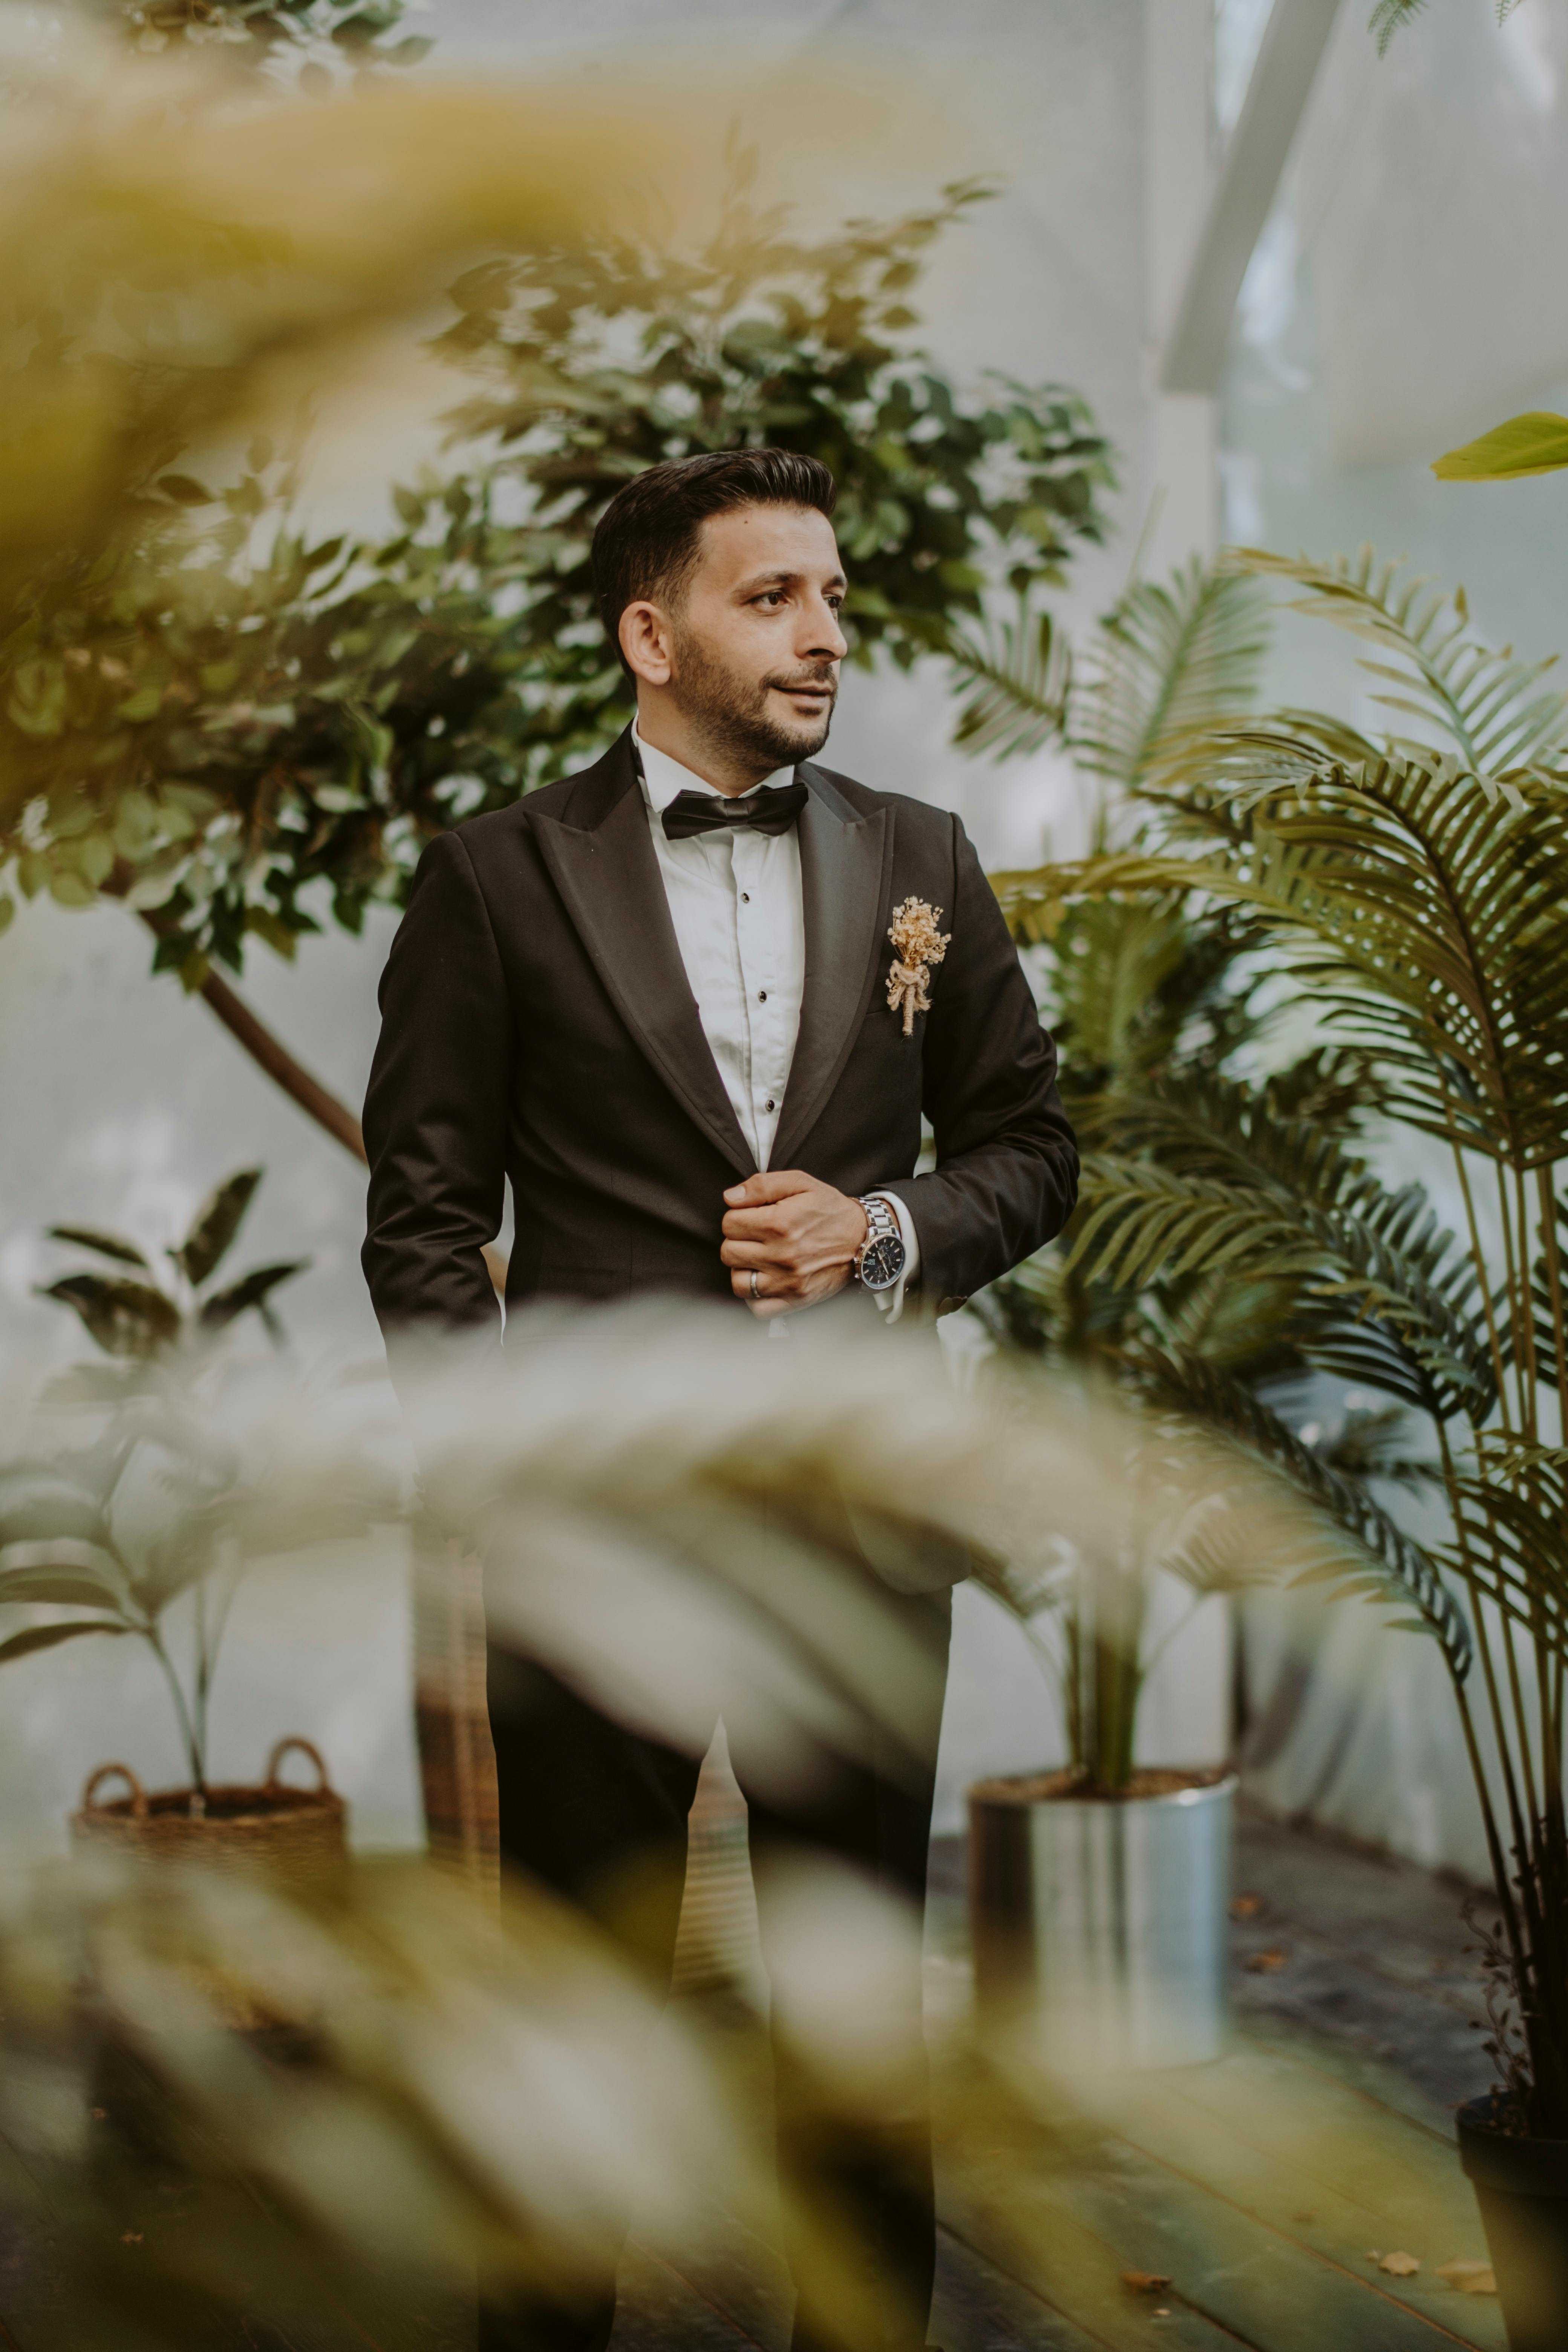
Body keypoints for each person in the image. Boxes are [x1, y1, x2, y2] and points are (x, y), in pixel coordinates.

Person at [361, 447, 1078, 2352]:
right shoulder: (496, 881)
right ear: (648, 631)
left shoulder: (923, 859)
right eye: (773, 598)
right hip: (602, 1550)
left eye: (832, 597)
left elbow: (1030, 1146)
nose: (824, 632)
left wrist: (886, 1228)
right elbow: (422, 1221)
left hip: (857, 1534)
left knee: (852, 2048)